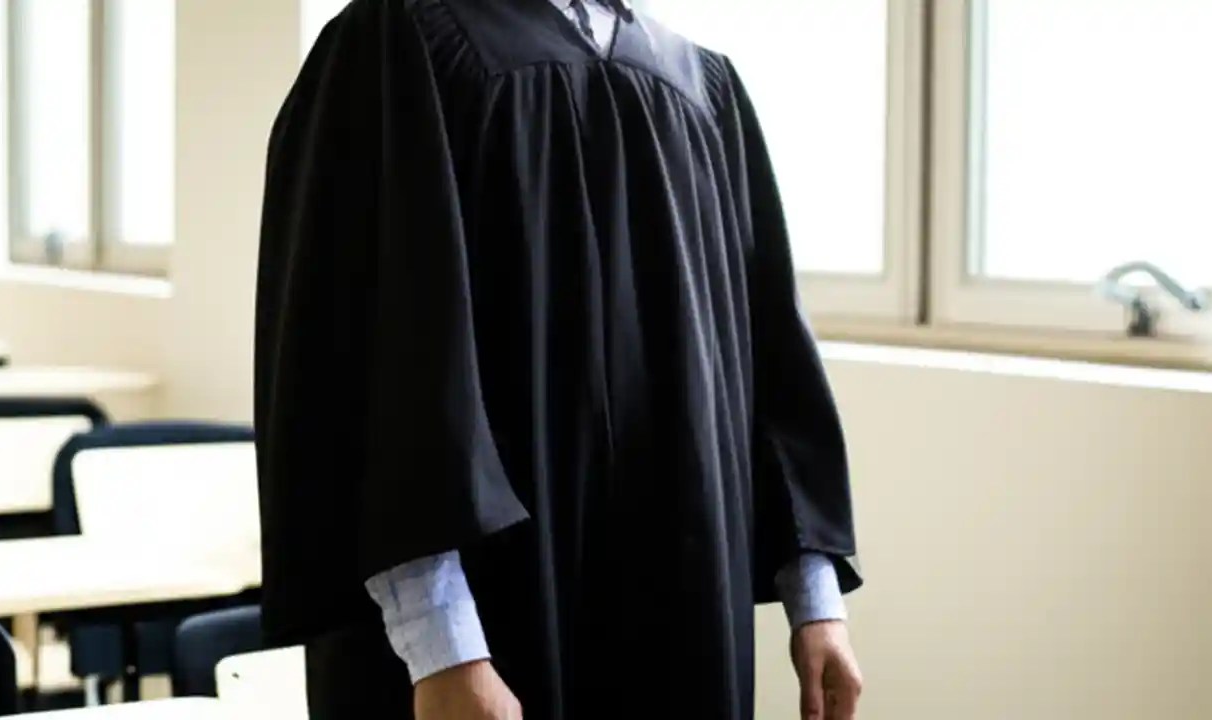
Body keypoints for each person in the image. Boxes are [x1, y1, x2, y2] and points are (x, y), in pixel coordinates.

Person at [254, 0, 865, 718]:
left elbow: (774, 364)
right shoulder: (396, 44)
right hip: (486, 638)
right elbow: (362, 367)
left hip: (684, 606)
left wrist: (815, 600)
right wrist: (443, 647)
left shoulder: (703, 86)